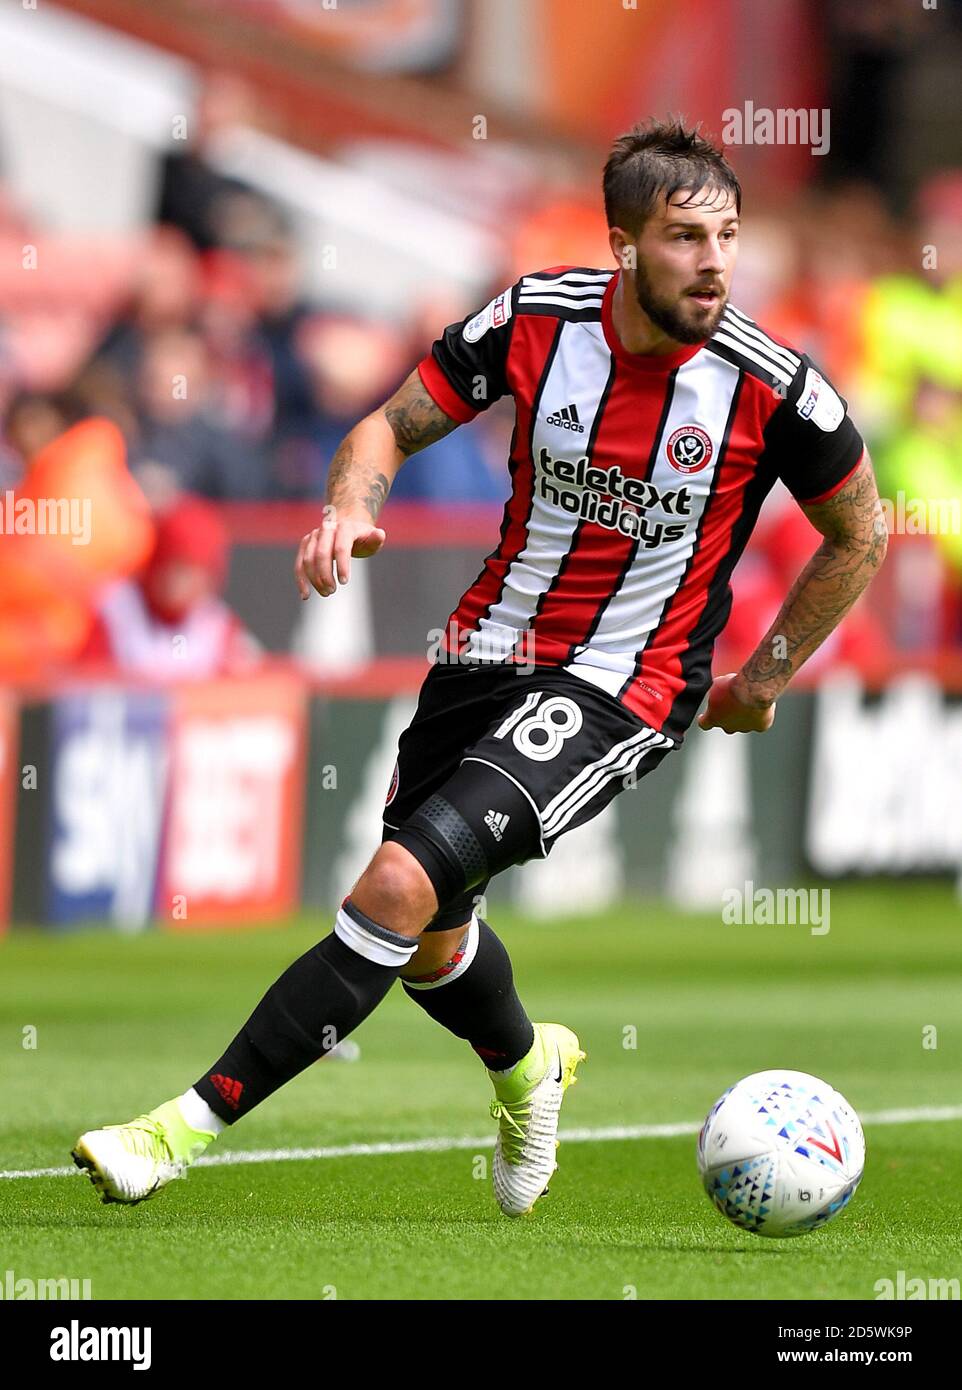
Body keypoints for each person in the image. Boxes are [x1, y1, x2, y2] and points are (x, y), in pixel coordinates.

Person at [73, 118, 887, 1218]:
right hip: (483, 650)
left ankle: (173, 1130)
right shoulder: (535, 321)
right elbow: (385, 430)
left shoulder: (772, 387)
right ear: (622, 244)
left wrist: (764, 673)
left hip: (621, 685)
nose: (712, 262)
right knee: (429, 936)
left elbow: (859, 534)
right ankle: (526, 1065)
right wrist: (346, 515)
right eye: (685, 236)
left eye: (728, 236)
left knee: (395, 887)